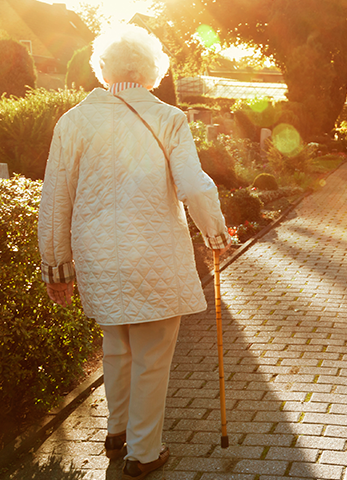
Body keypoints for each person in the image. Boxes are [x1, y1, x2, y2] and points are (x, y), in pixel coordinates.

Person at [38, 24, 231, 480]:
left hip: (98, 255)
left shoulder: (74, 121)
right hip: (154, 252)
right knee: (151, 355)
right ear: (151, 70)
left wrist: (56, 268)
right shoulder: (169, 119)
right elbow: (194, 186)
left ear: (102, 68)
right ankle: (143, 453)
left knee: (117, 346)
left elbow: (55, 199)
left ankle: (117, 431)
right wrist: (217, 234)